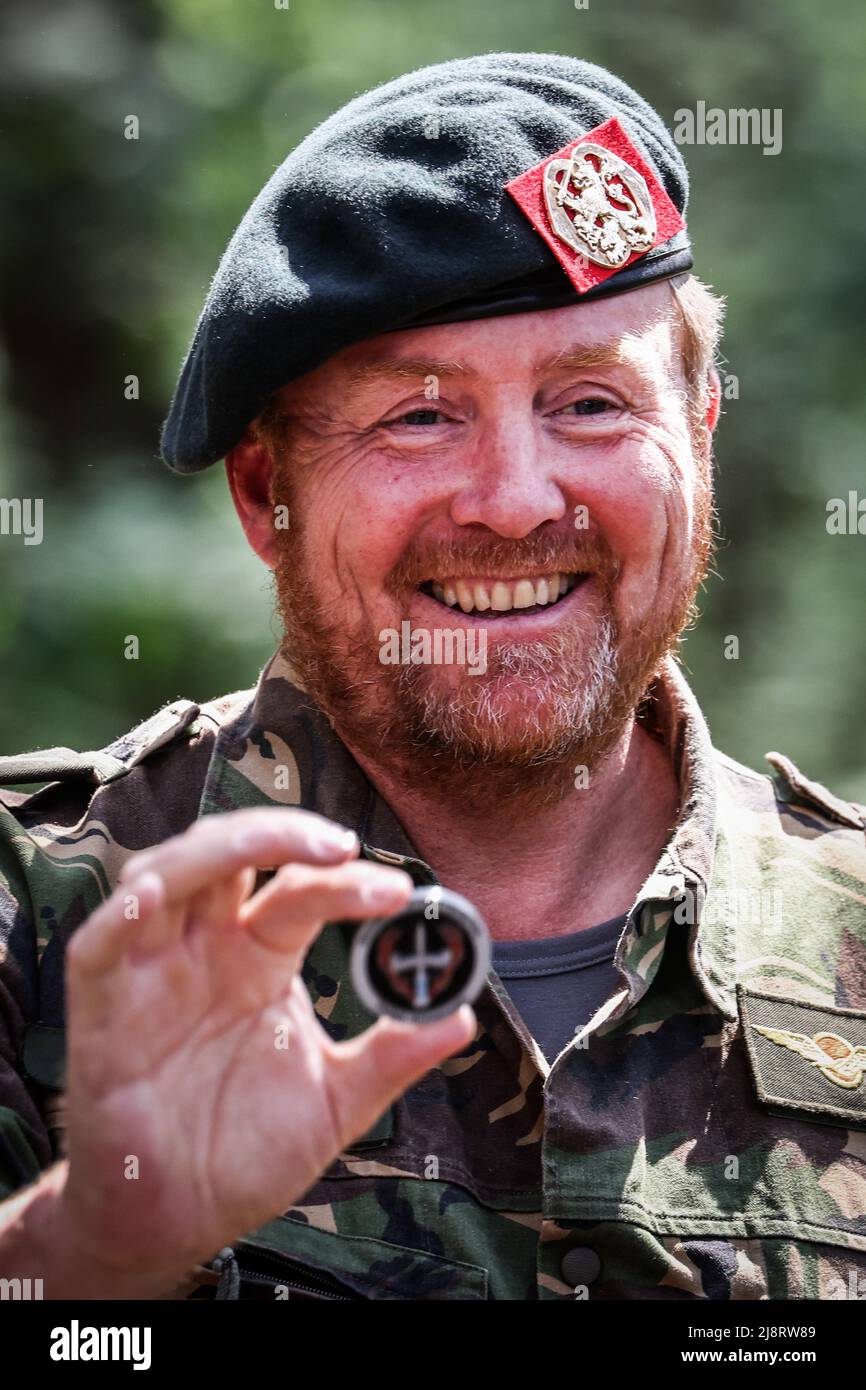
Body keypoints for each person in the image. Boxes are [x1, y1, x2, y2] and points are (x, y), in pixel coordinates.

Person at [1, 52, 864, 1303]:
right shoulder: (38, 917)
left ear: (698, 434)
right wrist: (90, 1252)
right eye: (417, 416)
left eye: (589, 403)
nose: (515, 502)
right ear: (267, 492)